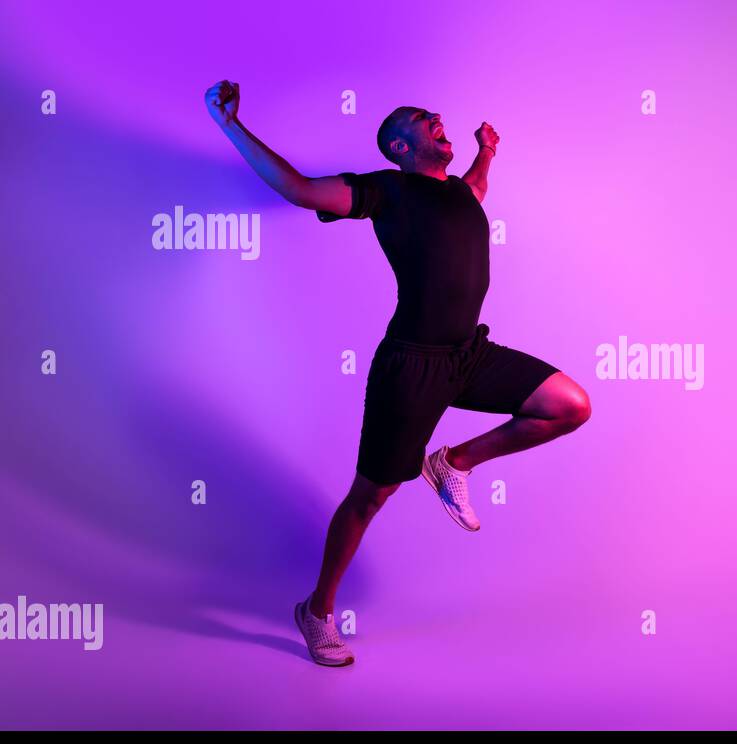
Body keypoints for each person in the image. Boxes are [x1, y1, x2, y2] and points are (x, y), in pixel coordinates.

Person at [205, 80, 592, 667]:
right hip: (410, 364)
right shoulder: (386, 191)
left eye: (434, 113)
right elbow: (298, 188)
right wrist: (230, 122)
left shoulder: (463, 195)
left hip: (470, 354)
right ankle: (317, 612)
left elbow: (479, 183)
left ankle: (453, 462)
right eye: (420, 118)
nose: (436, 116)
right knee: (371, 496)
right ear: (398, 146)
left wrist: (486, 149)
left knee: (569, 404)